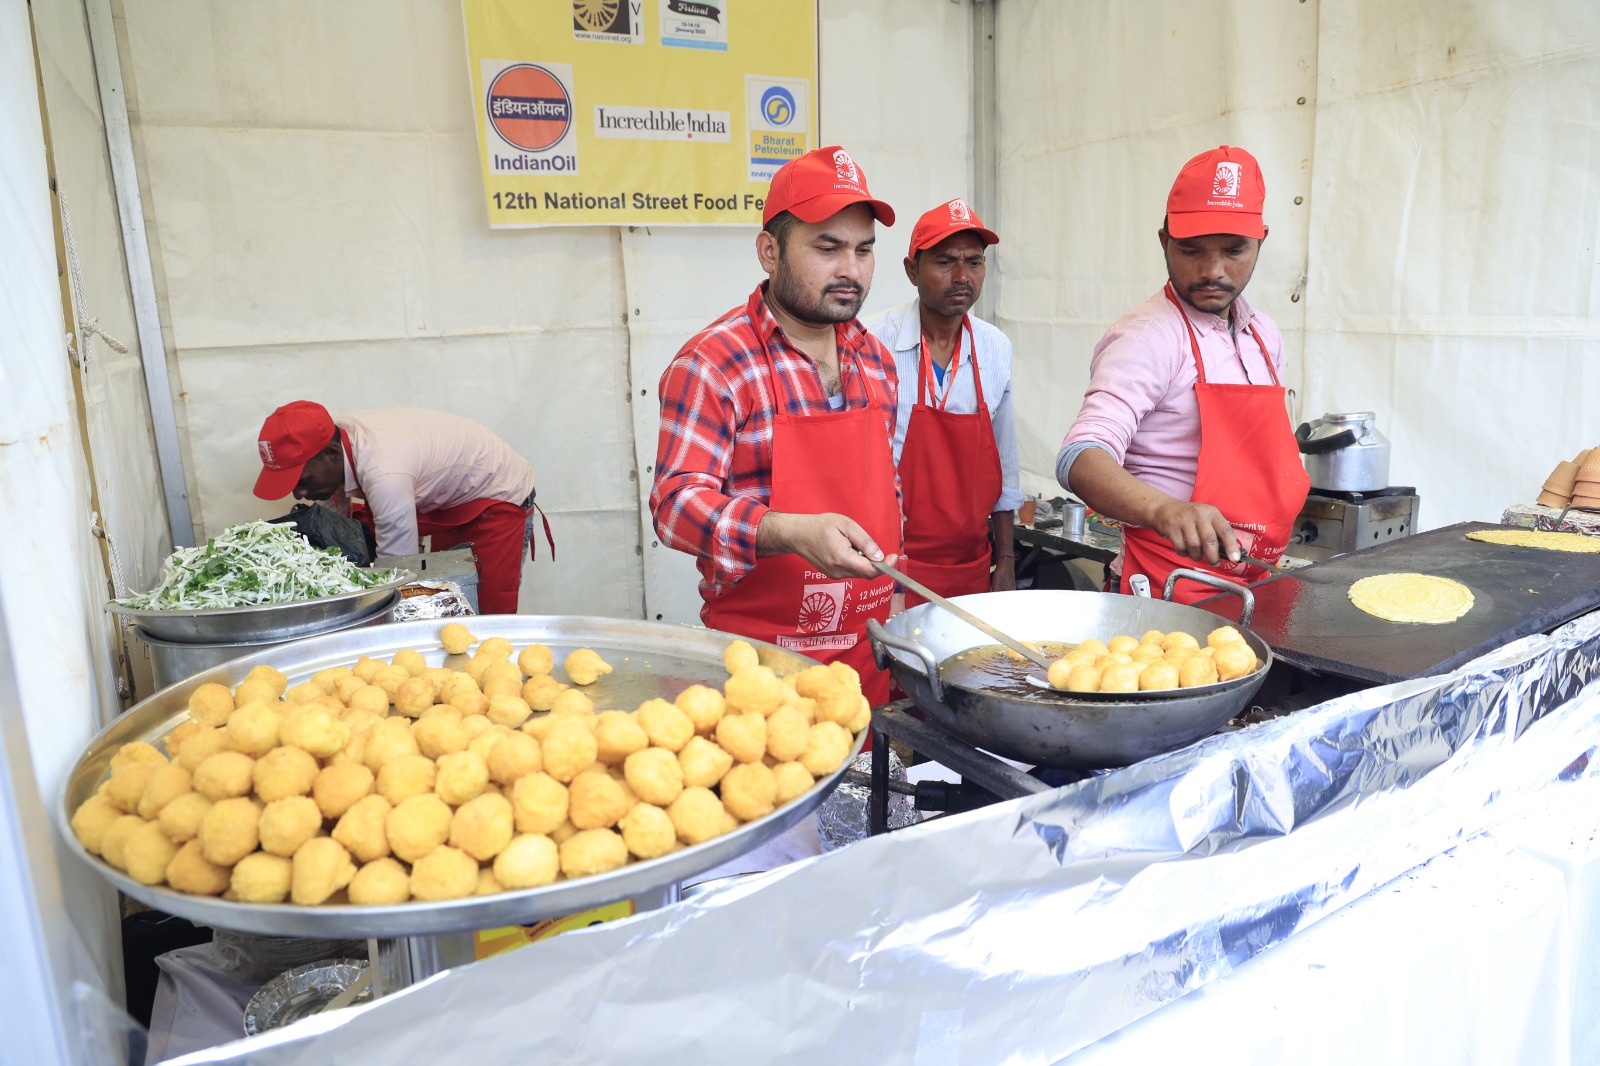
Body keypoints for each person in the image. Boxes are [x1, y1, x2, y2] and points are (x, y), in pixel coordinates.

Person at [649, 146, 901, 705]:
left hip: (864, 662)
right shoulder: (715, 364)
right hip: (758, 671)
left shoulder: (877, 361)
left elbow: (889, 491)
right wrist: (787, 531)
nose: (850, 270)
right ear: (770, 251)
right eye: (827, 248)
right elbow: (674, 505)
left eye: (864, 251)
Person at [1056, 146, 1309, 604]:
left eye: (1234, 251)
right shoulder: (1150, 336)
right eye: (1191, 250)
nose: (1212, 271)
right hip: (1167, 590)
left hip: (1254, 581)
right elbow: (1079, 455)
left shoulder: (1263, 335)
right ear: (1163, 240)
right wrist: (1164, 509)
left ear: (1261, 241)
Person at [865, 198, 1022, 606]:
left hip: (969, 565)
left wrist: (1005, 559)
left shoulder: (994, 348)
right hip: (889, 563)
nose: (961, 276)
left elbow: (1005, 466)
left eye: (974, 261)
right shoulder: (871, 341)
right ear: (911, 269)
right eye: (945, 262)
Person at [252, 402, 550, 614]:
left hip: (495, 496)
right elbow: (336, 525)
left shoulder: (385, 473)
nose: (299, 493)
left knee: (480, 609)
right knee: (451, 598)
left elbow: (399, 572)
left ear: (331, 454)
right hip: (449, 497)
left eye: (302, 480)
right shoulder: (335, 442)